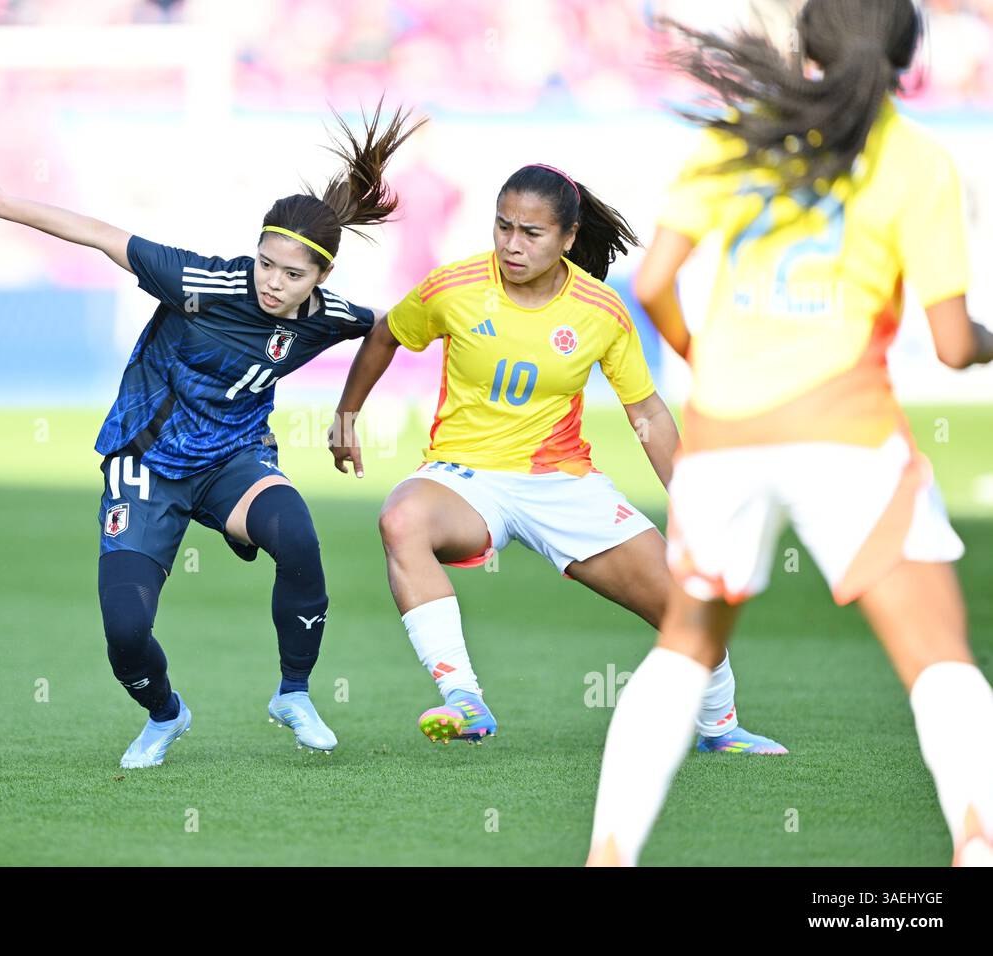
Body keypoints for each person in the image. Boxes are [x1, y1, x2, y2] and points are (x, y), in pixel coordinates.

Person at [587, 0, 993, 866]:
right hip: (845, 430)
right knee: (938, 658)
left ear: (805, 44)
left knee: (684, 650)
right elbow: (955, 345)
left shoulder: (738, 138)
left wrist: (713, 365)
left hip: (725, 433)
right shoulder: (917, 160)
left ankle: (609, 856)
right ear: (906, 52)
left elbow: (653, 283)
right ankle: (978, 844)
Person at [0, 106, 423, 767]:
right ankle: (165, 713)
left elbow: (395, 327)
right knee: (127, 633)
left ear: (321, 279)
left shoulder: (328, 317)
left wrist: (346, 417)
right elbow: (100, 234)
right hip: (146, 466)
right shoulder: (201, 283)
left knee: (299, 532)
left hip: (234, 461)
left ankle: (293, 691)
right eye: (267, 263)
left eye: (293, 274)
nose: (274, 283)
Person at [330, 162, 785, 754]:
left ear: (567, 238)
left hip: (562, 483)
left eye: (531, 233)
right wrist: (346, 417)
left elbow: (646, 414)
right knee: (401, 518)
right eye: (503, 227)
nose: (512, 245)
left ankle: (721, 729)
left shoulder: (601, 311)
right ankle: (463, 698)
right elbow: (388, 332)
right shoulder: (455, 287)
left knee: (682, 606)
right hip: (465, 478)